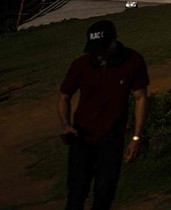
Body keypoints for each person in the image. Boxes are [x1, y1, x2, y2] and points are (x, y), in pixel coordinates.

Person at [57, 19, 149, 210]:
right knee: (76, 192)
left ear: (115, 40)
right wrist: (66, 124)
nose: (99, 53)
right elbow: (64, 96)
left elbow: (140, 98)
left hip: (111, 138)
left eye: (103, 48)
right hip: (81, 136)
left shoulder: (133, 61)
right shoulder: (81, 65)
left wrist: (136, 137)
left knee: (104, 193)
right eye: (94, 49)